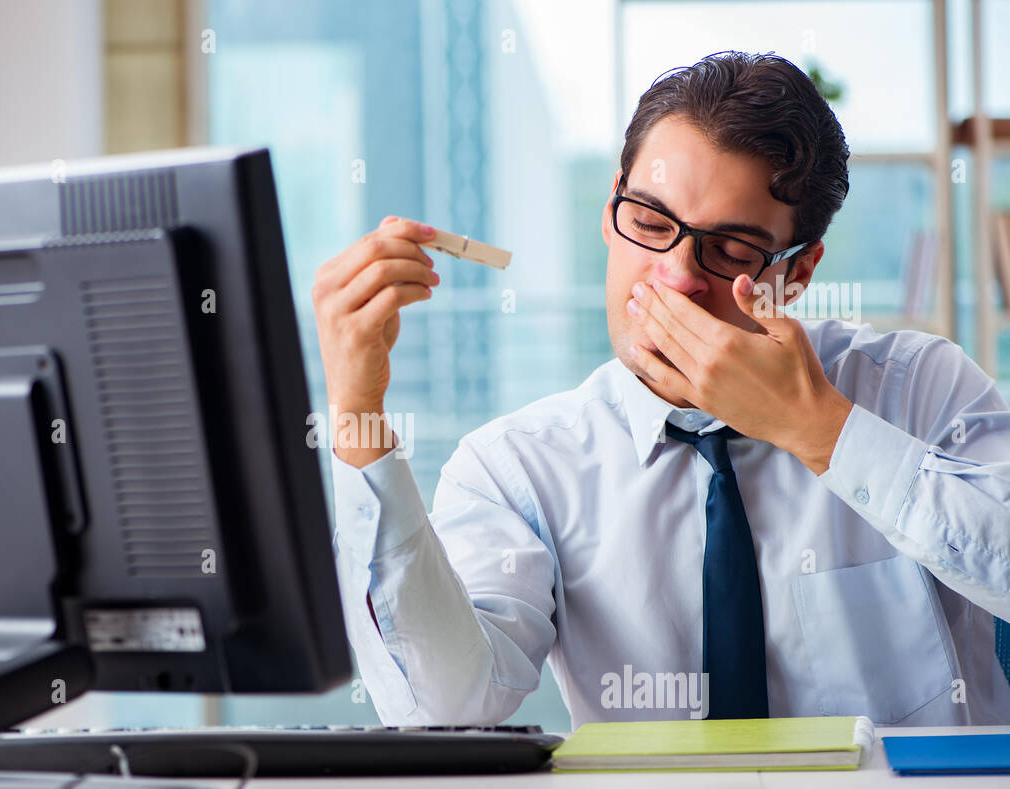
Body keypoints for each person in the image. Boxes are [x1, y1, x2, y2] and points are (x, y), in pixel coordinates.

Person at [310, 51, 1010, 729]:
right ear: (610, 207)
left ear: (797, 275)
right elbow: (443, 706)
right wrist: (358, 419)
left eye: (732, 252)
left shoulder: (920, 390)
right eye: (648, 222)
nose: (675, 278)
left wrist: (821, 431)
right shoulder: (520, 469)